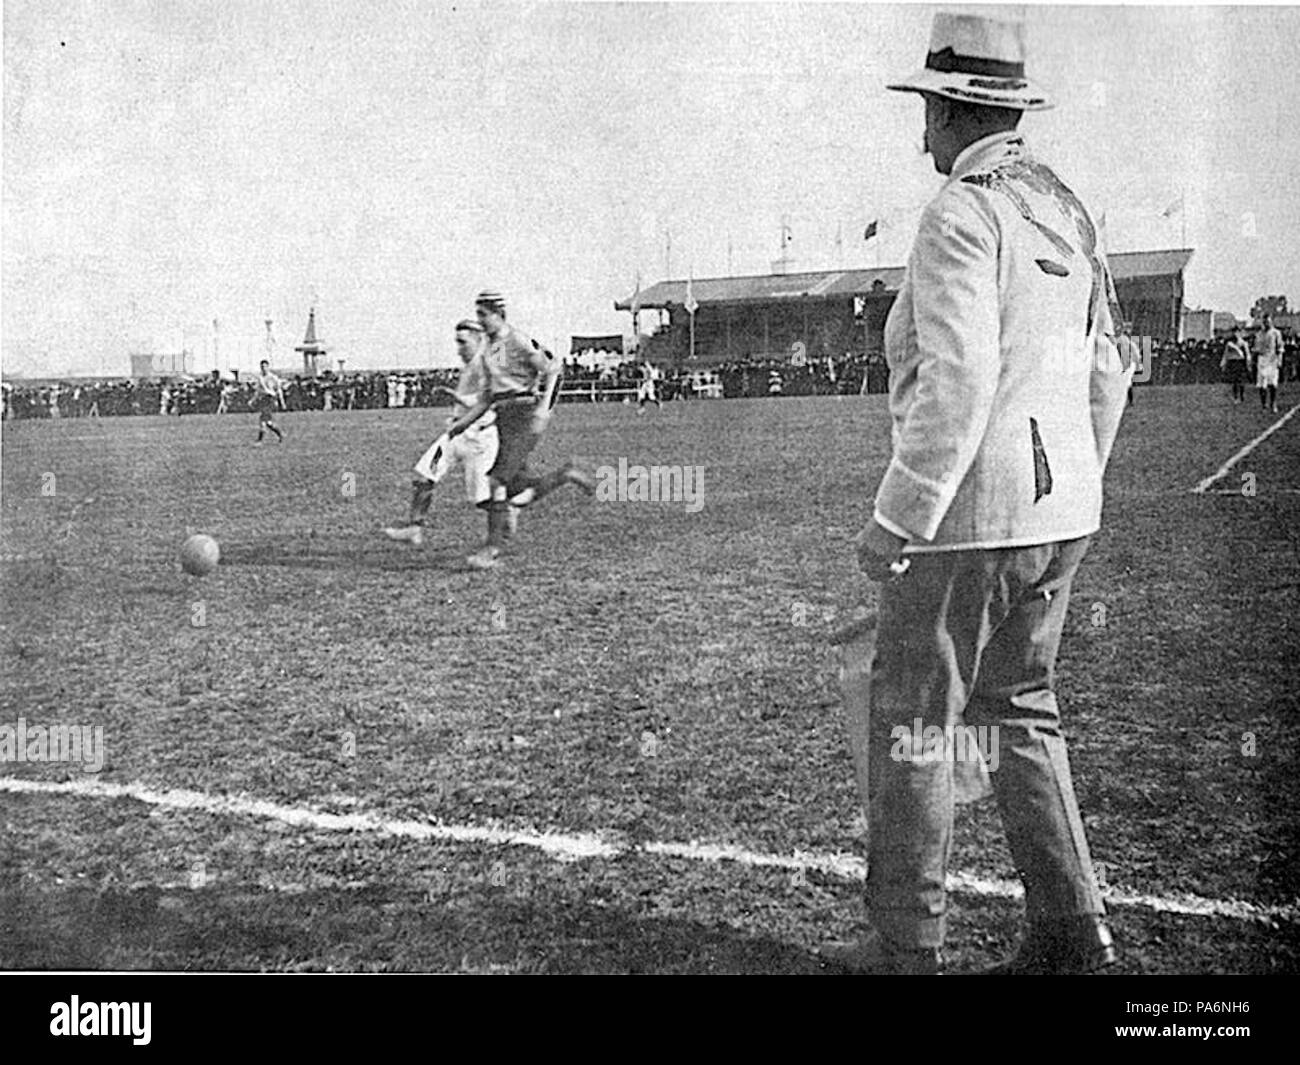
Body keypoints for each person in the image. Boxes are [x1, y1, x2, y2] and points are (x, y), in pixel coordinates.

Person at [826, 12, 1131, 976]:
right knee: (1021, 712)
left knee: (917, 719)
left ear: (958, 110)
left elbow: (957, 383)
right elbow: (1112, 371)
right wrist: (1074, 487)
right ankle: (1073, 931)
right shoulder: (1067, 212)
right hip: (1061, 511)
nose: (922, 132)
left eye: (927, 108)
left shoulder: (962, 214)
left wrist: (896, 519)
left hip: (966, 523)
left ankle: (906, 943)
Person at [448, 291, 594, 571]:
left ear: (498, 313)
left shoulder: (518, 340)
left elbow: (553, 369)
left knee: (496, 479)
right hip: (503, 417)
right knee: (518, 489)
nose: (480, 320)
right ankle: (567, 473)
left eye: (483, 314)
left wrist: (544, 409)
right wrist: (462, 424)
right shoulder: (489, 350)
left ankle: (491, 548)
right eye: (477, 314)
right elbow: (488, 396)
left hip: (525, 415)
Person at [383, 320, 501, 547]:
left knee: (482, 500)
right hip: (454, 435)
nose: (459, 349)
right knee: (424, 475)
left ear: (479, 340)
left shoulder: (488, 366)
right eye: (457, 342)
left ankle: (502, 528)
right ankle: (414, 529)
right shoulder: (469, 367)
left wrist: (456, 397)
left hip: (478, 440)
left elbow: (488, 401)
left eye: (463, 342)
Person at [1253, 315, 1284, 413]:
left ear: (1271, 322)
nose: (1266, 323)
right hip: (1262, 360)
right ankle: (1264, 406)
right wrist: (1254, 356)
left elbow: (1280, 348)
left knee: (1273, 384)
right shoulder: (1259, 334)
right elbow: (1255, 348)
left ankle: (1273, 404)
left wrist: (1279, 359)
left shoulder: (1276, 333)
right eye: (1264, 321)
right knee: (1262, 384)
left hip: (1272, 359)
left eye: (1268, 321)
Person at [253, 360, 286, 444]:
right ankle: (280, 434)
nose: (263, 368)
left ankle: (259, 441)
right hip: (263, 400)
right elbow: (258, 391)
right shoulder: (260, 378)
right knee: (268, 422)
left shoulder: (272, 377)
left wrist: (282, 402)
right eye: (262, 367)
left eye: (265, 367)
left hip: (270, 400)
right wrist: (252, 400)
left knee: (262, 421)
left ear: (268, 367)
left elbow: (278, 390)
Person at [1221, 330, 1251, 403]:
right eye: (1234, 333)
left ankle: (1241, 396)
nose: (1236, 334)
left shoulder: (1243, 343)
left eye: (1237, 333)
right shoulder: (1229, 344)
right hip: (1232, 362)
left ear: (1240, 334)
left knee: (1241, 381)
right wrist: (1223, 363)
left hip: (1240, 362)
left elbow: (1247, 354)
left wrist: (1248, 364)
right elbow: (1226, 354)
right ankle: (1236, 397)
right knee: (1234, 381)